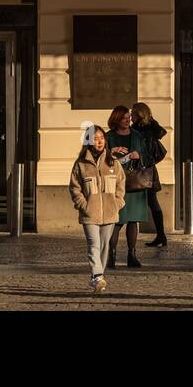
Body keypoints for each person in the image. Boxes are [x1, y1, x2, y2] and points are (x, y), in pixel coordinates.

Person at [69, 125, 126, 294]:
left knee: (104, 246)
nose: (99, 141)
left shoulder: (113, 162)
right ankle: (97, 276)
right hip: (90, 214)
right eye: (95, 138)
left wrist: (118, 203)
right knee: (93, 244)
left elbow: (121, 184)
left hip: (110, 212)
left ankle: (97, 278)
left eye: (102, 138)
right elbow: (74, 187)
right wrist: (83, 205)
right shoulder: (81, 164)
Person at [106, 104, 160, 269]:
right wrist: (112, 152)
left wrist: (139, 155)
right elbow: (101, 158)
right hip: (117, 183)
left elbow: (148, 156)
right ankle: (111, 255)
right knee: (116, 221)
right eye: (124, 118)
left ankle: (132, 255)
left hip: (136, 182)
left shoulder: (137, 135)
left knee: (133, 220)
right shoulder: (108, 136)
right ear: (116, 119)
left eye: (129, 117)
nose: (128, 120)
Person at [131, 102, 168, 248]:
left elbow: (161, 133)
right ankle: (161, 235)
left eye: (133, 113)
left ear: (139, 114)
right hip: (144, 170)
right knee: (152, 202)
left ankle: (161, 235)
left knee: (152, 202)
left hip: (146, 171)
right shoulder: (136, 128)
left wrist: (151, 120)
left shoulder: (146, 129)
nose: (130, 116)